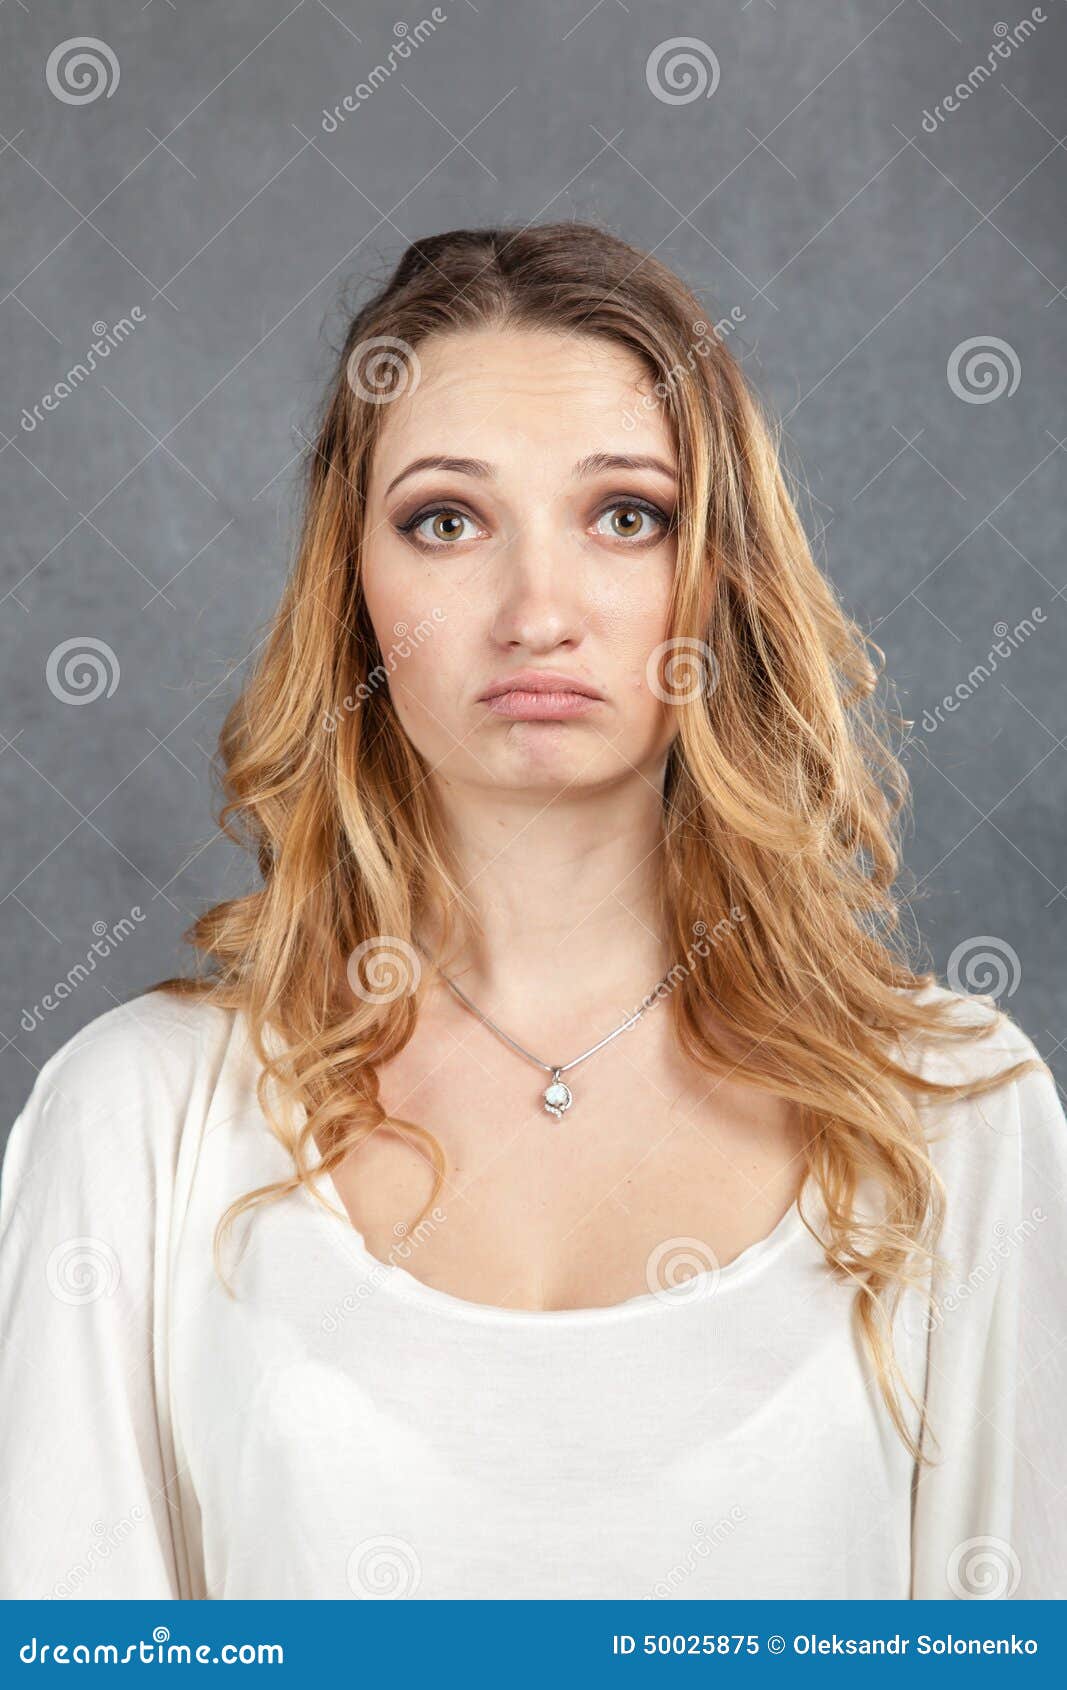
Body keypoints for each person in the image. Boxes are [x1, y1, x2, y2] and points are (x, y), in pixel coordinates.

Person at [1, 223, 1063, 1601]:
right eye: (447, 520)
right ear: (352, 588)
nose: (536, 611)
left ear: (720, 574)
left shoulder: (955, 1113)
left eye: (626, 515)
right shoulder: (133, 1123)